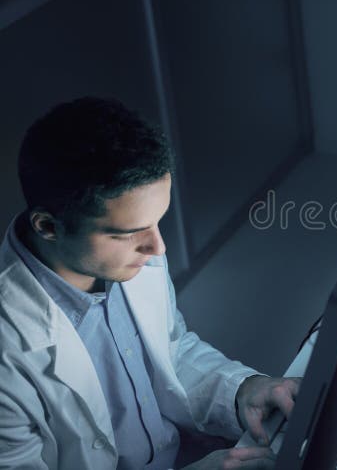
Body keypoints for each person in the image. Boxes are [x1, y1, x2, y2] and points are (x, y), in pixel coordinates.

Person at [0, 97, 298, 469]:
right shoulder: (7, 350)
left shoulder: (127, 258)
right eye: (128, 233)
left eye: (157, 221)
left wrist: (240, 390)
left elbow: (171, 351)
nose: (158, 246)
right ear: (47, 226)